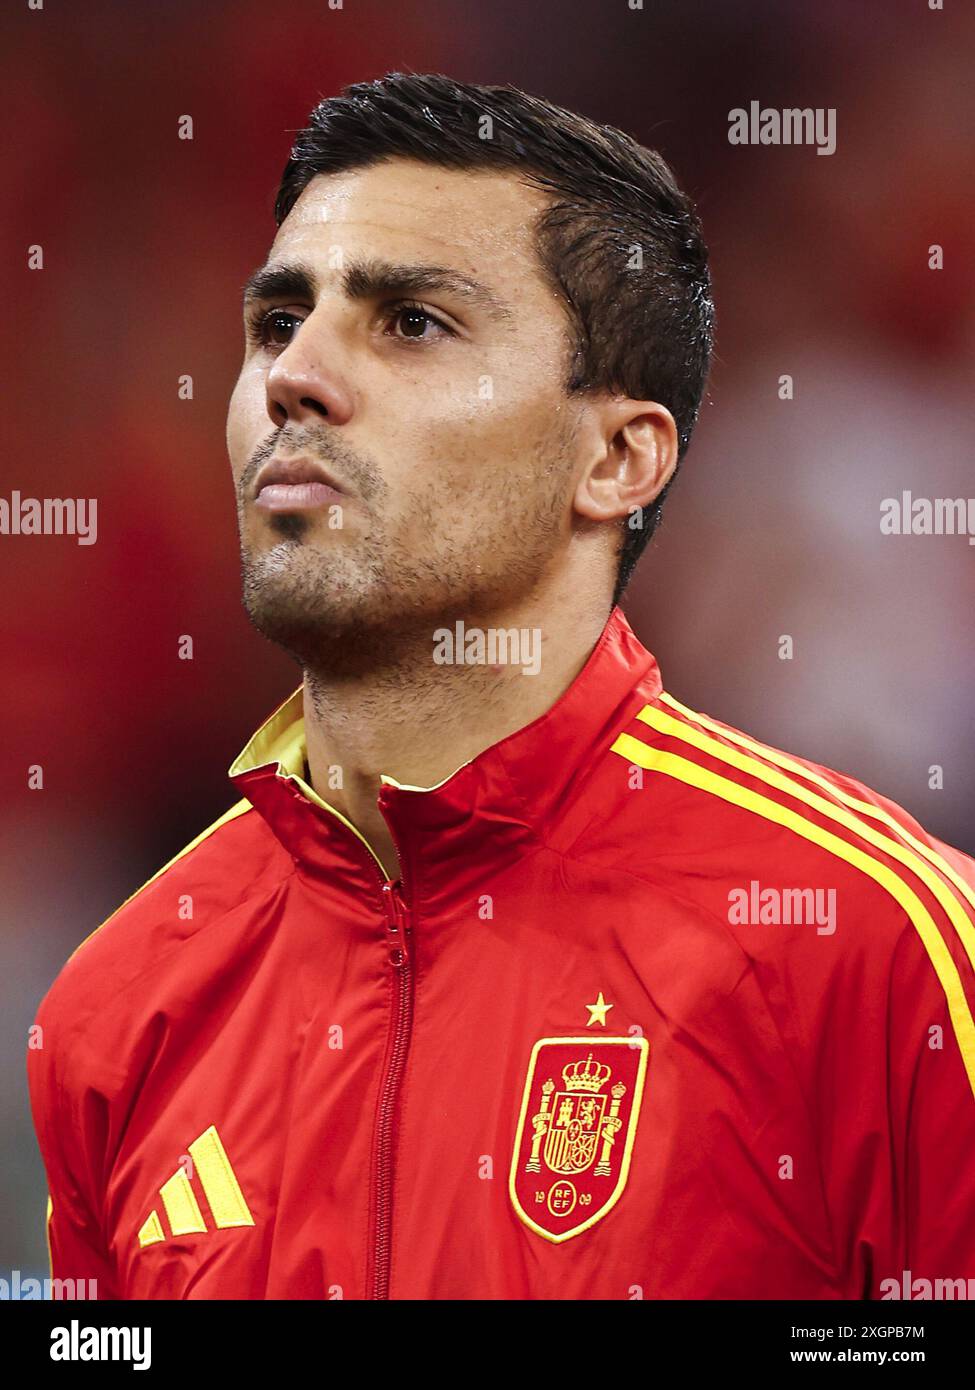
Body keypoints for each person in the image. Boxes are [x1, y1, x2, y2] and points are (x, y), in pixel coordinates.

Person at [28, 72, 975, 1301]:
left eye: (412, 321)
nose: (294, 379)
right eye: (276, 323)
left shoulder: (880, 952)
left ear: (618, 457)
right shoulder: (121, 1002)